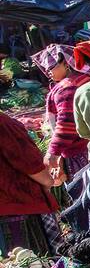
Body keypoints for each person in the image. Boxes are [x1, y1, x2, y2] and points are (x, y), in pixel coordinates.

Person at [0, 107, 64, 254]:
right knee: (34, 267)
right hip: (21, 207)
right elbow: (30, 164)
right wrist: (48, 181)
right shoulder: (3, 124)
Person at [33, 43, 90, 179]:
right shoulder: (84, 79)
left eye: (52, 67)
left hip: (79, 151)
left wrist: (53, 152)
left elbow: (67, 123)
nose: (48, 71)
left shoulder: (67, 88)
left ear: (66, 64)